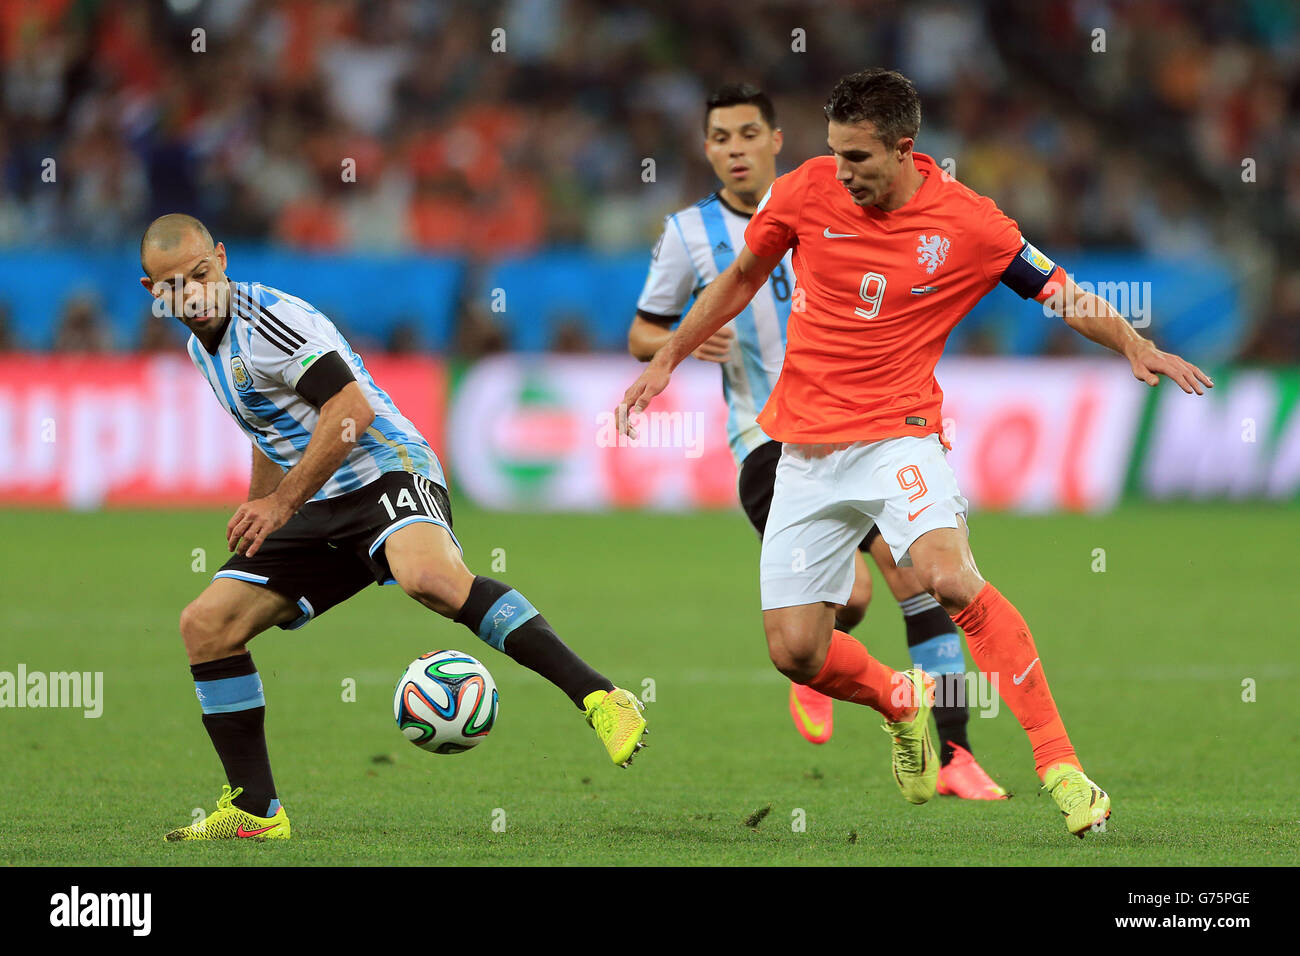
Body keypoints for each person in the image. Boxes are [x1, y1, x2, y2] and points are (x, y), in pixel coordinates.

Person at [620, 70, 1213, 836]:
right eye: (835, 153)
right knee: (797, 653)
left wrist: (1133, 341)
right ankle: (900, 699)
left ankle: (1062, 768)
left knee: (945, 576)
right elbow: (740, 277)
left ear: (906, 149)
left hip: (898, 437)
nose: (843, 172)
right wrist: (669, 355)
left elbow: (1059, 289)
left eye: (859, 158)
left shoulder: (970, 224)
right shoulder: (803, 192)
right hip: (801, 450)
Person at [139, 213, 648, 842]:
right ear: (152, 293)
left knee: (430, 578)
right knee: (206, 626)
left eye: (201, 274)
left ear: (221, 257)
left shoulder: (268, 322)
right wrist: (260, 507)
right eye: (174, 286)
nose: (193, 293)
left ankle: (601, 698)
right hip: (317, 499)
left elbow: (350, 407)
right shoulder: (200, 348)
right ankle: (254, 809)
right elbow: (267, 429)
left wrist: (280, 505)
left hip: (384, 465)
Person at [629, 83, 1004, 798]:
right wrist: (678, 348)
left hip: (867, 428)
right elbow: (642, 328)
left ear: (776, 141)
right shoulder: (686, 236)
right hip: (771, 438)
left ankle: (954, 751)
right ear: (706, 149)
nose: (734, 149)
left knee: (916, 576)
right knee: (854, 594)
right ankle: (821, 666)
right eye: (719, 138)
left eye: (747, 134)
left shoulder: (827, 197)